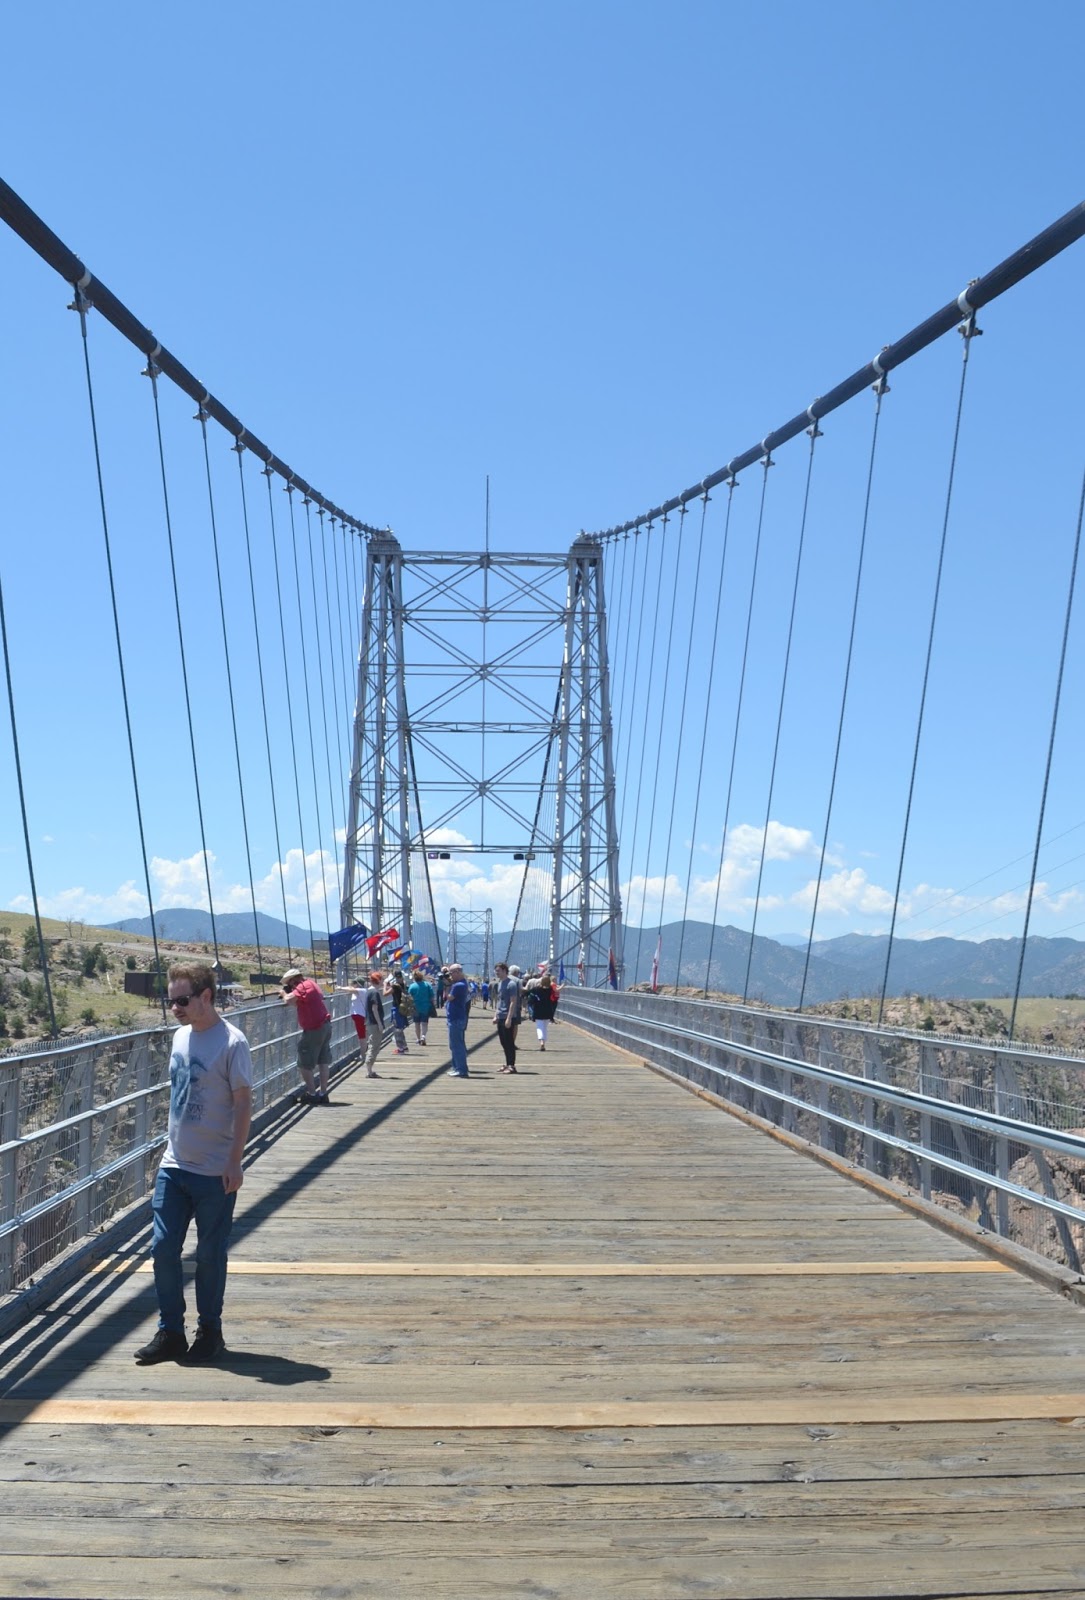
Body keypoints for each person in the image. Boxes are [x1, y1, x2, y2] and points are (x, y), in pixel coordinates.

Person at [134, 962, 253, 1366]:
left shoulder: (232, 1043)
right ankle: (171, 1333)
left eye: (183, 1000)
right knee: (163, 1249)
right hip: (174, 1165)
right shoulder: (179, 1037)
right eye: (170, 1001)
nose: (176, 1009)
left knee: (209, 1254)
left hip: (215, 1170)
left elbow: (243, 1104)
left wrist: (235, 1162)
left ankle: (210, 1332)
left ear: (206, 996)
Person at [280, 967, 333, 1104]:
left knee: (304, 1062)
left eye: (290, 983)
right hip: (324, 1025)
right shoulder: (311, 984)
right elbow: (300, 1002)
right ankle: (323, 1093)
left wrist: (283, 994)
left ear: (294, 980)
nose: (291, 986)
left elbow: (288, 1000)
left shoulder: (304, 985)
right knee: (323, 1060)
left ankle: (312, 1093)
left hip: (315, 1028)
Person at [494, 961, 522, 1073]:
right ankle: (507, 1063)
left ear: (505, 971)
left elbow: (513, 1002)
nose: (496, 973)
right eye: (496, 971)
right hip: (500, 1015)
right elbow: (499, 1001)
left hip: (507, 1016)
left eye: (498, 971)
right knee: (503, 1042)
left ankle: (511, 1065)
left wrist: (509, 1018)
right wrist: (495, 1015)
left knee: (509, 1042)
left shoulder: (511, 984)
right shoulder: (500, 983)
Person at [445, 961, 470, 1077]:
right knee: (454, 1045)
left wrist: (446, 986)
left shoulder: (458, 985)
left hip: (456, 1018)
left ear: (458, 972)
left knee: (457, 1045)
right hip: (456, 1017)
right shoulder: (461, 984)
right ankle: (456, 1067)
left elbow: (449, 997)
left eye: (451, 973)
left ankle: (461, 1069)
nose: (450, 975)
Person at [526, 969, 558, 1050]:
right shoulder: (551, 990)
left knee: (539, 1027)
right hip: (548, 1011)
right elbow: (556, 995)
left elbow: (528, 994)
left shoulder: (536, 989)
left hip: (538, 1011)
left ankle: (541, 1042)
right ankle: (544, 1042)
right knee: (545, 1027)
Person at [362, 970, 385, 1078]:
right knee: (374, 1045)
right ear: (378, 980)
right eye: (382, 980)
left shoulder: (369, 991)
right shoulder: (375, 993)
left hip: (369, 1022)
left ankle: (369, 1069)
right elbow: (374, 1009)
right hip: (374, 1023)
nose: (383, 982)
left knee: (373, 1043)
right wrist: (380, 1024)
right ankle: (369, 1070)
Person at [385, 967, 410, 1054]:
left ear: (395, 976)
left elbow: (385, 994)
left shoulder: (395, 987)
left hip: (397, 1009)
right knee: (400, 1028)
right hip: (403, 1008)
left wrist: (385, 985)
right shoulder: (403, 984)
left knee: (397, 1029)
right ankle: (404, 1046)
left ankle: (400, 1048)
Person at [408, 969, 435, 1044]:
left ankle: (418, 1039)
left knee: (417, 1024)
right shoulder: (427, 985)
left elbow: (409, 997)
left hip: (415, 1007)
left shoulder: (412, 986)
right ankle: (423, 1036)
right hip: (425, 1007)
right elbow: (432, 996)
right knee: (424, 1023)